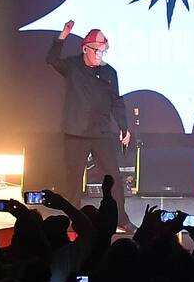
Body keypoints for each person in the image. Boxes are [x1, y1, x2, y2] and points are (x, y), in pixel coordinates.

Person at [48, 20, 132, 230]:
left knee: (114, 177)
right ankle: (73, 222)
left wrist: (124, 127)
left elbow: (116, 101)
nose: (100, 54)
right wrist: (62, 37)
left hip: (101, 132)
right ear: (85, 48)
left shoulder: (109, 72)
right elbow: (51, 59)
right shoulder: (73, 66)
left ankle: (121, 219)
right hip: (75, 132)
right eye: (97, 50)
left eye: (103, 50)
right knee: (73, 180)